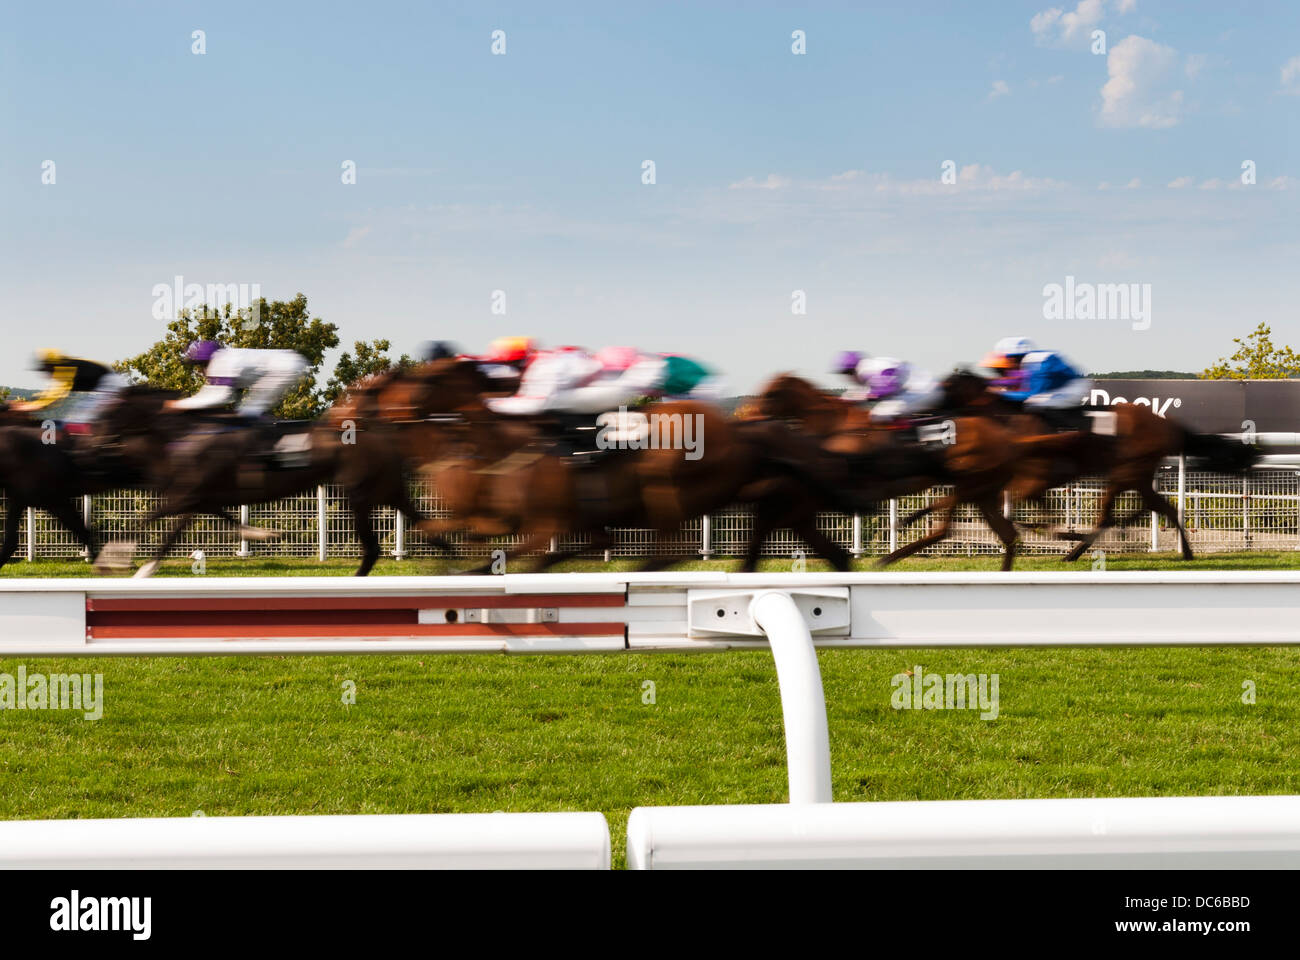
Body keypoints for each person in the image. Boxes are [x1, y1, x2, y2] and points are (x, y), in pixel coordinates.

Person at [166, 340, 308, 418]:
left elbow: (220, 397)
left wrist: (177, 405)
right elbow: (208, 393)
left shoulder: (221, 363)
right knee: (245, 411)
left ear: (204, 362)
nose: (199, 371)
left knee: (249, 411)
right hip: (286, 362)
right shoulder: (221, 359)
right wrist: (182, 404)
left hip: (286, 366)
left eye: (198, 366)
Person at [13, 350, 129, 429]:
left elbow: (49, 401)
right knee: (78, 413)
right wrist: (27, 404)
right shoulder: (66, 366)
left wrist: (22, 408)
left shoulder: (64, 370)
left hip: (110, 385)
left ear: (51, 365)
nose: (45, 374)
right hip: (107, 384)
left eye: (45, 369)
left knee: (80, 418)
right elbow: (48, 394)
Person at [857, 356, 944, 424]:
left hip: (923, 391)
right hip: (923, 389)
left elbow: (889, 388)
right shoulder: (875, 365)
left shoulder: (867, 370)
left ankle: (906, 441)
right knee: (882, 410)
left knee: (879, 413)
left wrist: (865, 396)